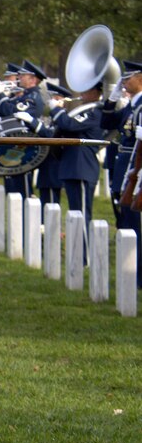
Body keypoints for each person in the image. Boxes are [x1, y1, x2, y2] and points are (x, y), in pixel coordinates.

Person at [26, 81, 105, 258]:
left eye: (87, 90)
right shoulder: (83, 111)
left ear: (96, 92)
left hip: (82, 169)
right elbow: (61, 130)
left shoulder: (95, 112)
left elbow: (69, 125)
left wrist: (55, 108)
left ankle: (85, 258)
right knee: (75, 215)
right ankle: (78, 253)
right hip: (71, 168)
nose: (82, 92)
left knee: (83, 215)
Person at [101, 59, 142, 287]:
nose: (124, 82)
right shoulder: (131, 106)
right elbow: (107, 122)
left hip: (134, 176)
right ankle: (131, 275)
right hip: (123, 174)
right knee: (125, 224)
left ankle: (138, 277)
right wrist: (113, 98)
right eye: (123, 78)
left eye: (129, 78)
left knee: (135, 227)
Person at [0, 59, 47, 198]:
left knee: (22, 191)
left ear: (33, 80)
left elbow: (8, 111)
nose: (19, 77)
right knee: (12, 190)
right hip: (14, 145)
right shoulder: (25, 96)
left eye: (23, 75)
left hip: (23, 148)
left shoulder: (32, 98)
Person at [13, 81, 69, 212]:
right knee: (45, 204)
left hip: (54, 167)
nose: (52, 101)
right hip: (46, 168)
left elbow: (51, 135)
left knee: (51, 206)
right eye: (51, 98)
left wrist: (32, 122)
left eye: (55, 98)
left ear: (62, 100)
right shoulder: (51, 117)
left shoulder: (63, 117)